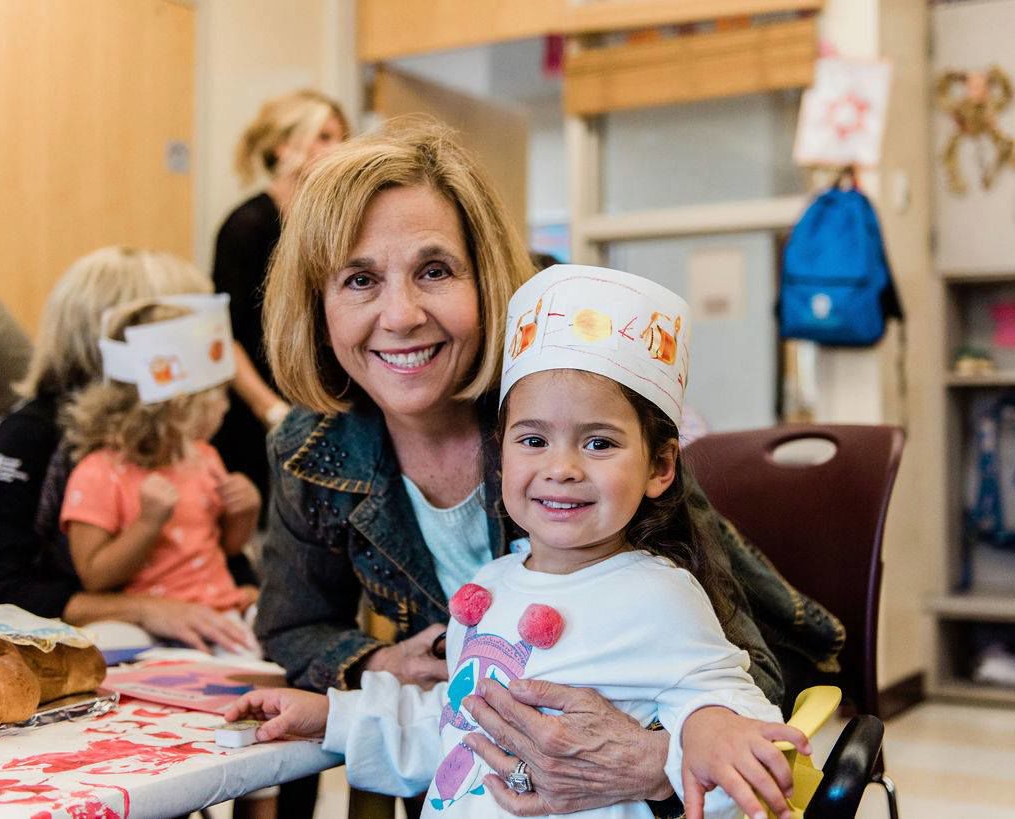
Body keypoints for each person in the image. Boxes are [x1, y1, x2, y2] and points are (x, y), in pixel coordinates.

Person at [254, 120, 842, 817]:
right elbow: (305, 634)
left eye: (435, 271)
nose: (402, 314)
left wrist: (648, 763)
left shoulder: (573, 406)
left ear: (486, 282)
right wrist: (376, 668)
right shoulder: (315, 448)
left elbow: (743, 681)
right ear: (318, 307)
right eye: (359, 280)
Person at [0, 247, 255, 653]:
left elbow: (205, 537)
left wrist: (246, 588)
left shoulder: (175, 423)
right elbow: (3, 585)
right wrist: (146, 610)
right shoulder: (31, 434)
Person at [59, 297, 261, 645]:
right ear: (177, 406)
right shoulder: (98, 473)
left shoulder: (204, 457)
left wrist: (246, 511)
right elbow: (94, 576)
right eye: (217, 394)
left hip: (220, 613)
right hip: (145, 627)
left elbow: (226, 547)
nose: (226, 407)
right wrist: (148, 523)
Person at [212, 89, 351, 514]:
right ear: (283, 147)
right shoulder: (247, 226)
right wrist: (272, 411)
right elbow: (225, 336)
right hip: (258, 413)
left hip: (319, 404)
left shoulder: (331, 224)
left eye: (341, 137)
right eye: (324, 136)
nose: (338, 148)